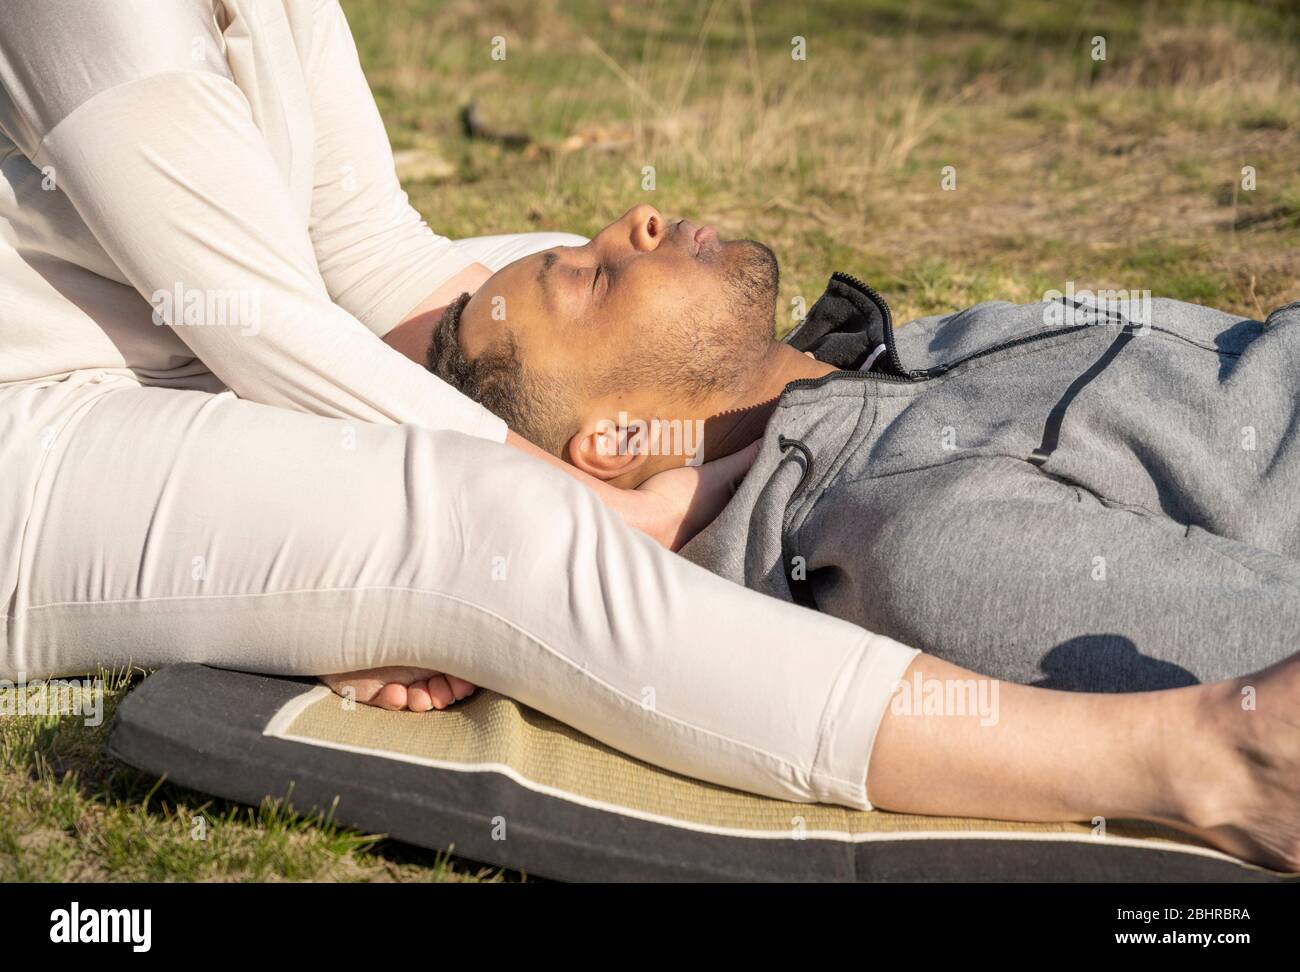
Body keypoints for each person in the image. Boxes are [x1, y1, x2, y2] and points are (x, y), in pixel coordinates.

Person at [2, 3, 1297, 871]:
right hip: (40, 433)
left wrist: (701, 437)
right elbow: (259, 322)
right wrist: (612, 512)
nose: (637, 217)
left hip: (219, 370)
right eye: (594, 268)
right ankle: (1205, 759)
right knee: (482, 542)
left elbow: (378, 260)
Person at [422, 204, 1300, 693]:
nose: (635, 220)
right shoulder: (916, 536)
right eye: (591, 277)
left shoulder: (880, 361)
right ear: (616, 440)